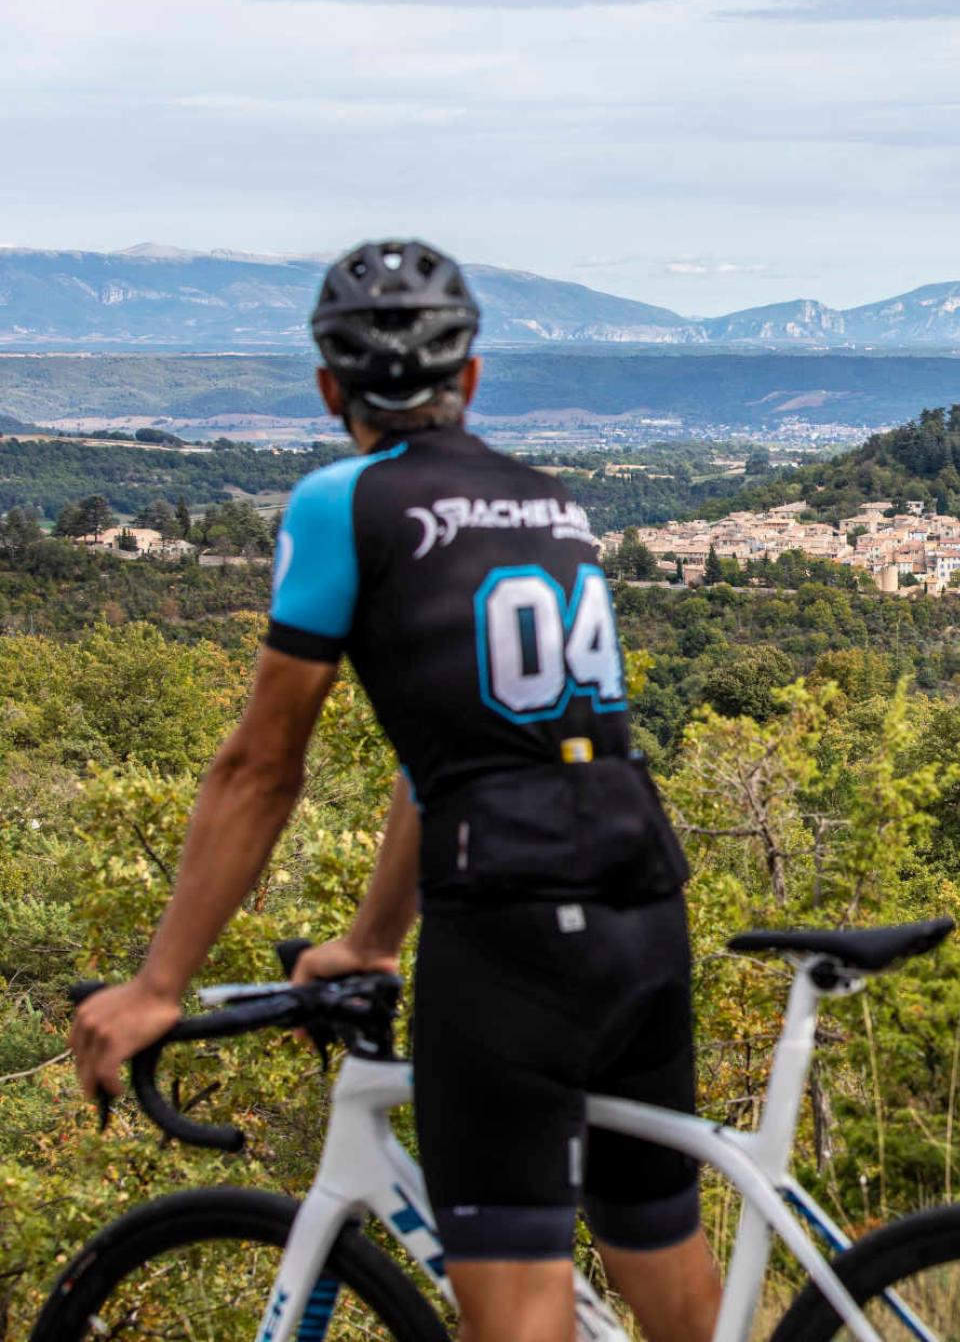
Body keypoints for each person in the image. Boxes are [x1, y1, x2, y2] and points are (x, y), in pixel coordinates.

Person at [68, 240, 723, 1342]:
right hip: (642, 899)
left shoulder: (343, 506)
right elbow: (463, 749)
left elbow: (262, 766)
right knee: (657, 1247)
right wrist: (373, 938)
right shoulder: (550, 503)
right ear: (469, 380)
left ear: (328, 389)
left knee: (515, 1303)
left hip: (512, 926)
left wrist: (158, 984)